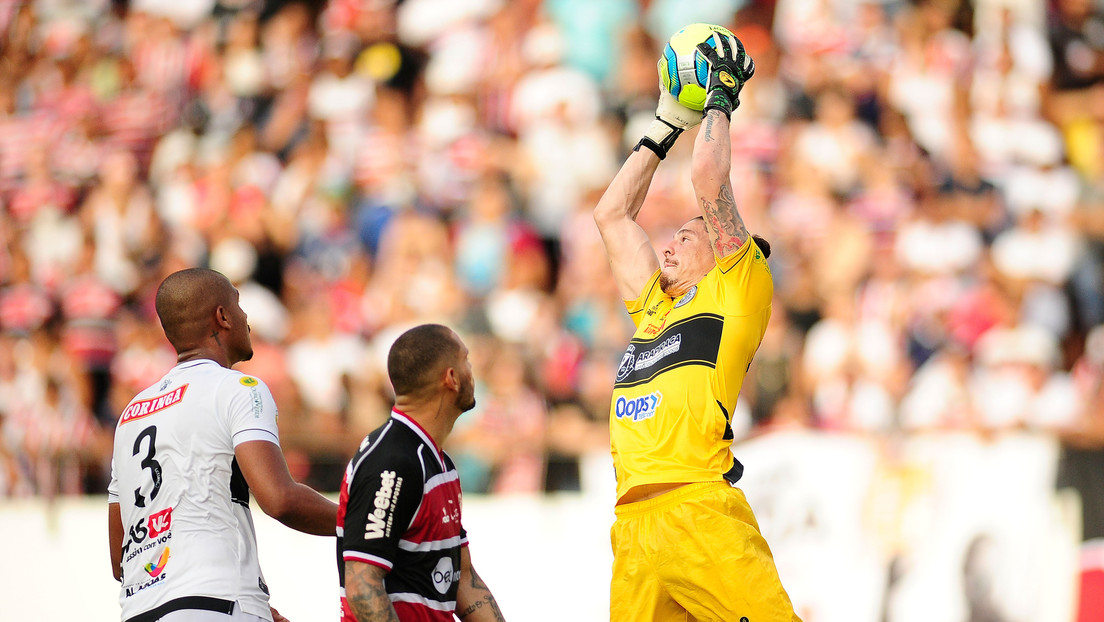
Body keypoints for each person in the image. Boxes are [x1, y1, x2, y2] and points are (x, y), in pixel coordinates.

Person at [592, 31, 801, 621]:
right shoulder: (654, 305)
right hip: (633, 527)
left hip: (701, 511)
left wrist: (717, 101)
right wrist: (664, 123)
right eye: (675, 231)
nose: (676, 236)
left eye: (693, 232)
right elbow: (611, 215)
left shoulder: (737, 287)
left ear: (725, 250)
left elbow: (708, 180)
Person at [107, 268, 338, 622]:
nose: (247, 318)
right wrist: (363, 522)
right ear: (223, 316)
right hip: (216, 601)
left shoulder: (131, 415)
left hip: (140, 611)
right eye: (240, 305)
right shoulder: (239, 388)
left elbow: (118, 557)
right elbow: (279, 500)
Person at [336, 324, 505, 622]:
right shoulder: (392, 462)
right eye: (466, 360)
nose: (472, 370)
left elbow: (463, 578)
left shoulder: (438, 462)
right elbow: (363, 585)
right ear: (451, 378)